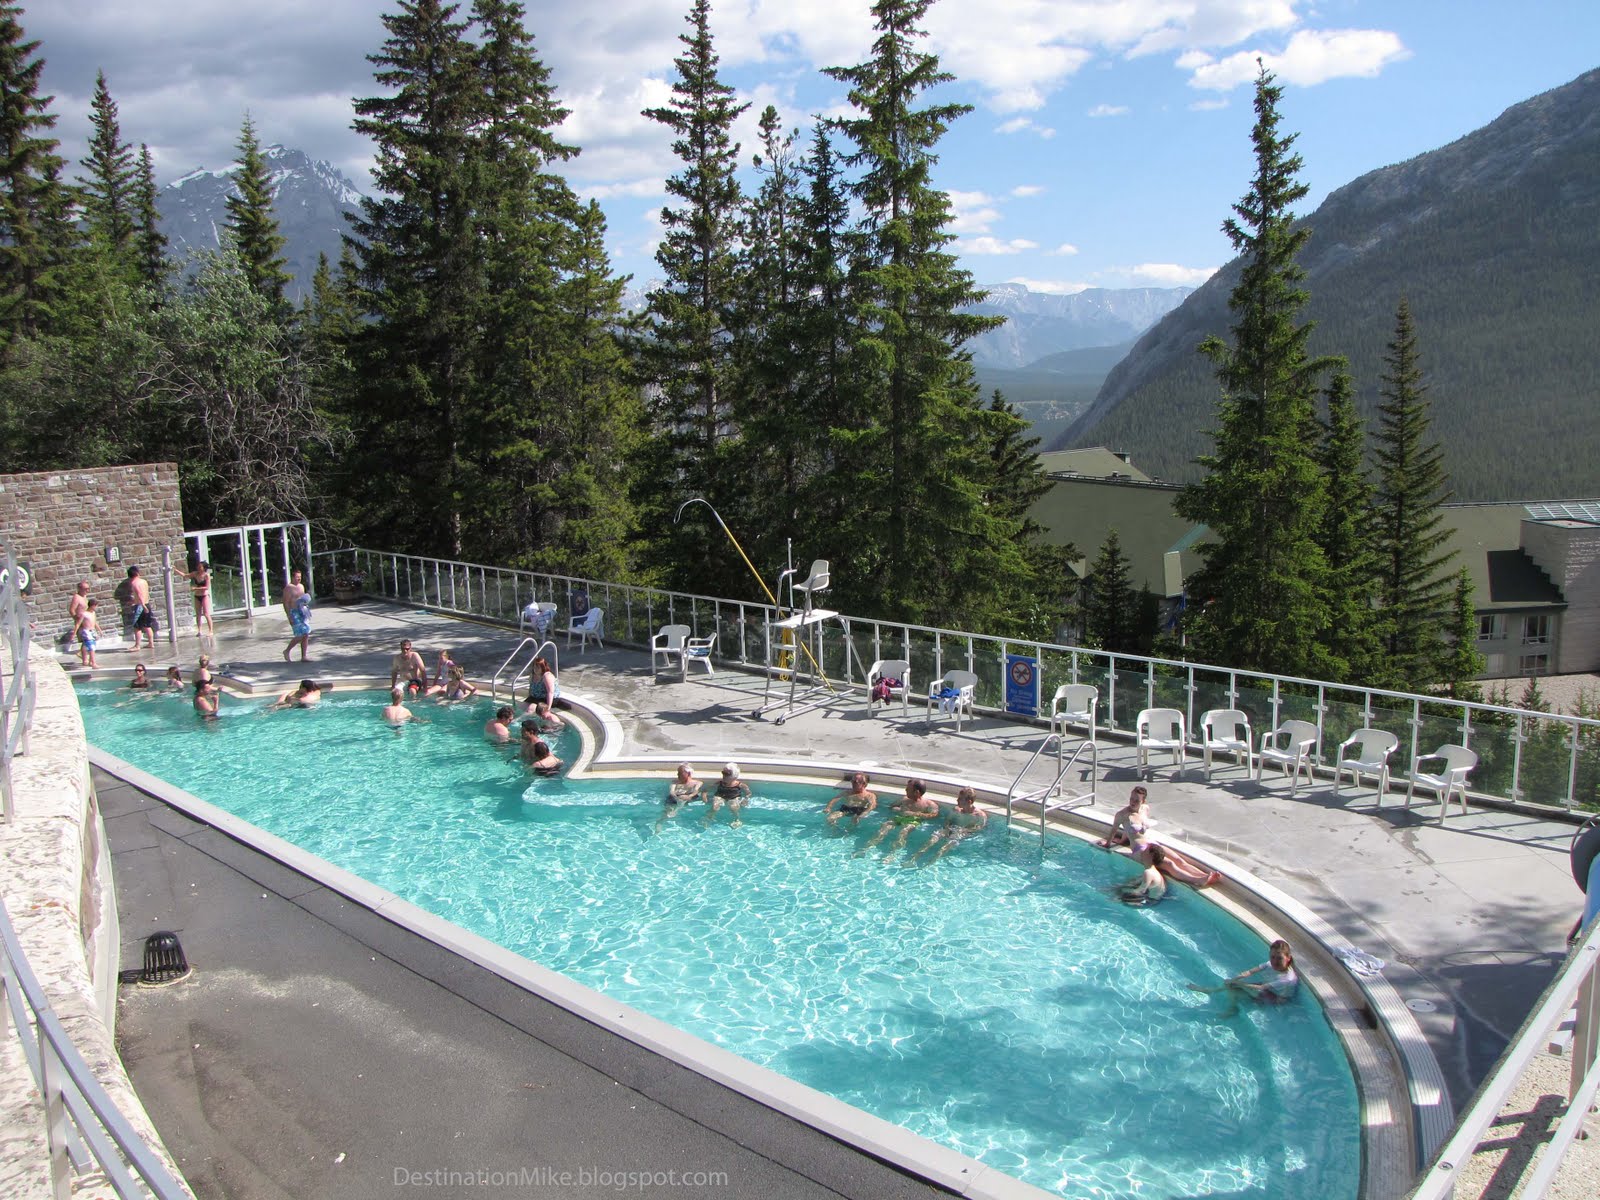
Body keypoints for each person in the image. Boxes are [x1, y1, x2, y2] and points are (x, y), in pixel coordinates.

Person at [1189, 940, 1299, 1012]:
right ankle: (1213, 991)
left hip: (1276, 999)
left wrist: (1237, 983)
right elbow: (1250, 972)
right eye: (1272, 957)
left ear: (1288, 958)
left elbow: (1261, 988)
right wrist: (1235, 979)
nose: (1275, 961)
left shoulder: (1287, 979)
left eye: (1279, 958)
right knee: (1231, 987)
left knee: (1234, 988)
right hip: (1265, 989)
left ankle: (1229, 1006)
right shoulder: (1270, 963)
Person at [861, 778, 941, 857]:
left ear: (917, 792)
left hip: (913, 821)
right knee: (885, 825)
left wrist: (913, 814)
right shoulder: (904, 799)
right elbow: (891, 807)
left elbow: (933, 815)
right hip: (900, 817)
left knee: (904, 831)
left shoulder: (929, 804)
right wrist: (898, 809)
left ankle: (892, 853)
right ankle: (868, 847)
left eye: (908, 789)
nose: (905, 790)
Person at [911, 787, 988, 863]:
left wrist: (964, 831)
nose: (957, 800)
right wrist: (947, 828)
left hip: (962, 833)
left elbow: (979, 829)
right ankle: (915, 857)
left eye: (960, 799)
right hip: (951, 829)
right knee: (934, 838)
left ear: (969, 801)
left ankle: (932, 861)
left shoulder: (980, 816)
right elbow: (948, 821)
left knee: (949, 844)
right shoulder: (956, 810)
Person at [656, 762, 702, 830]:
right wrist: (676, 798)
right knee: (667, 810)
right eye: (678, 773)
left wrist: (689, 796)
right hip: (674, 798)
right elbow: (672, 791)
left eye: (680, 773)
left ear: (688, 773)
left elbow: (696, 791)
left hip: (686, 797)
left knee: (683, 800)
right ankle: (660, 822)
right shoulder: (675, 782)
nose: (678, 775)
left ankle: (676, 810)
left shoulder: (697, 783)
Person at [175, 559, 214, 636]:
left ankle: (211, 631)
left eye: (200, 567)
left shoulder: (206, 575)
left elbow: (206, 587)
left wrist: (195, 588)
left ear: (204, 568)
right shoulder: (195, 574)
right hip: (197, 595)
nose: (199, 568)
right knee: (198, 614)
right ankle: (199, 630)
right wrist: (175, 570)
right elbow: (185, 575)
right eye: (198, 567)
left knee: (206, 613)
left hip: (204, 595)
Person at [709, 762, 751, 827]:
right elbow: (707, 789)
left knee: (733, 807)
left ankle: (737, 819)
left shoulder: (740, 785)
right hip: (720, 796)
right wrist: (704, 795)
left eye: (727, 774)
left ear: (734, 776)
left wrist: (746, 799)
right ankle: (709, 817)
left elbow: (748, 793)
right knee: (715, 806)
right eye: (723, 773)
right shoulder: (720, 783)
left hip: (734, 797)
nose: (724, 775)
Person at [127, 566, 157, 651]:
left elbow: (139, 594)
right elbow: (144, 593)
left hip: (141, 606)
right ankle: (151, 643)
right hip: (147, 604)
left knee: (137, 627)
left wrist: (142, 605)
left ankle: (137, 645)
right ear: (137, 573)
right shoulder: (144, 581)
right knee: (147, 625)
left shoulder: (134, 583)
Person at [283, 592, 311, 662]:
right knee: (300, 635)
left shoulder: (301, 586)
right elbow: (285, 603)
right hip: (294, 613)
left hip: (301, 611)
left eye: (299, 579)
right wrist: (289, 616)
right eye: (297, 579)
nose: (299, 580)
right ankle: (287, 650)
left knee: (306, 634)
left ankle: (304, 656)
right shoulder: (289, 589)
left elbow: (304, 599)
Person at [73, 599, 101, 669]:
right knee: (91, 647)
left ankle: (86, 660)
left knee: (89, 645)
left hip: (92, 631)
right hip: (86, 631)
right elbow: (78, 623)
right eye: (96, 606)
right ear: (92, 606)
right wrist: (74, 633)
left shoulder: (93, 613)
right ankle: (93, 663)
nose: (96, 607)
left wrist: (99, 630)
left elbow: (95, 622)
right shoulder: (84, 614)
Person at [66, 580, 90, 648]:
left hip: (87, 621)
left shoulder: (84, 596)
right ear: (80, 589)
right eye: (85, 589)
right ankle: (83, 655)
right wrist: (77, 620)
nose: (87, 591)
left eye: (88, 588)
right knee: (84, 641)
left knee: (89, 640)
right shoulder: (76, 597)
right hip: (81, 622)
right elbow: (72, 610)